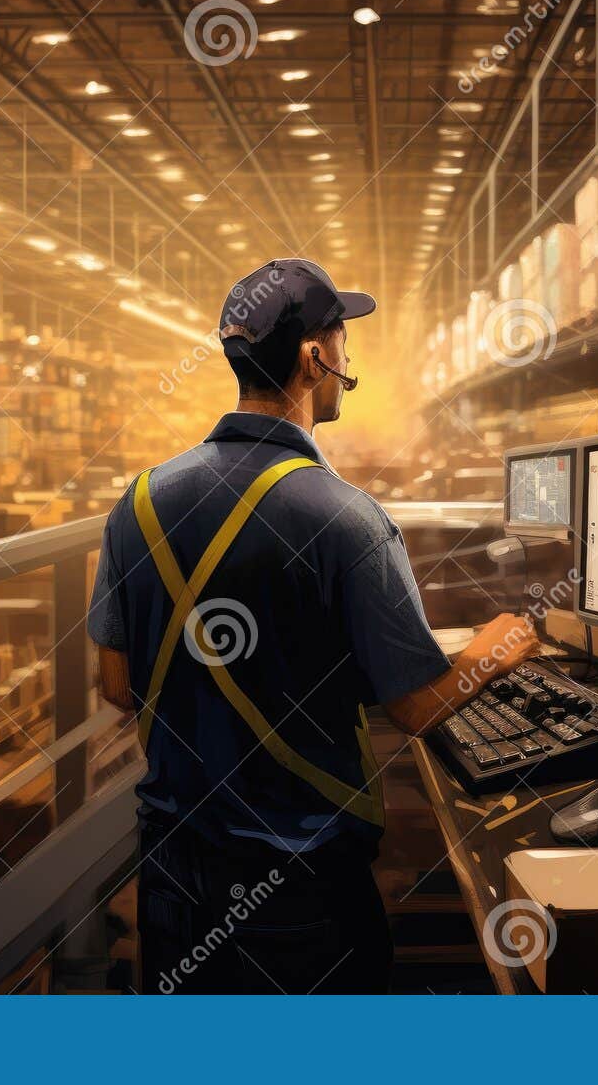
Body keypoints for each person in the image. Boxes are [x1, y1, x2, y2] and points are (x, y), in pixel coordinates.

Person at [88, 259, 537, 994]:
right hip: (299, 886)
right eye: (342, 341)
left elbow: (116, 684)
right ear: (313, 358)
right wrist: (498, 648)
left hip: (173, 877)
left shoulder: (137, 502)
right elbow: (416, 707)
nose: (347, 360)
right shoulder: (348, 520)